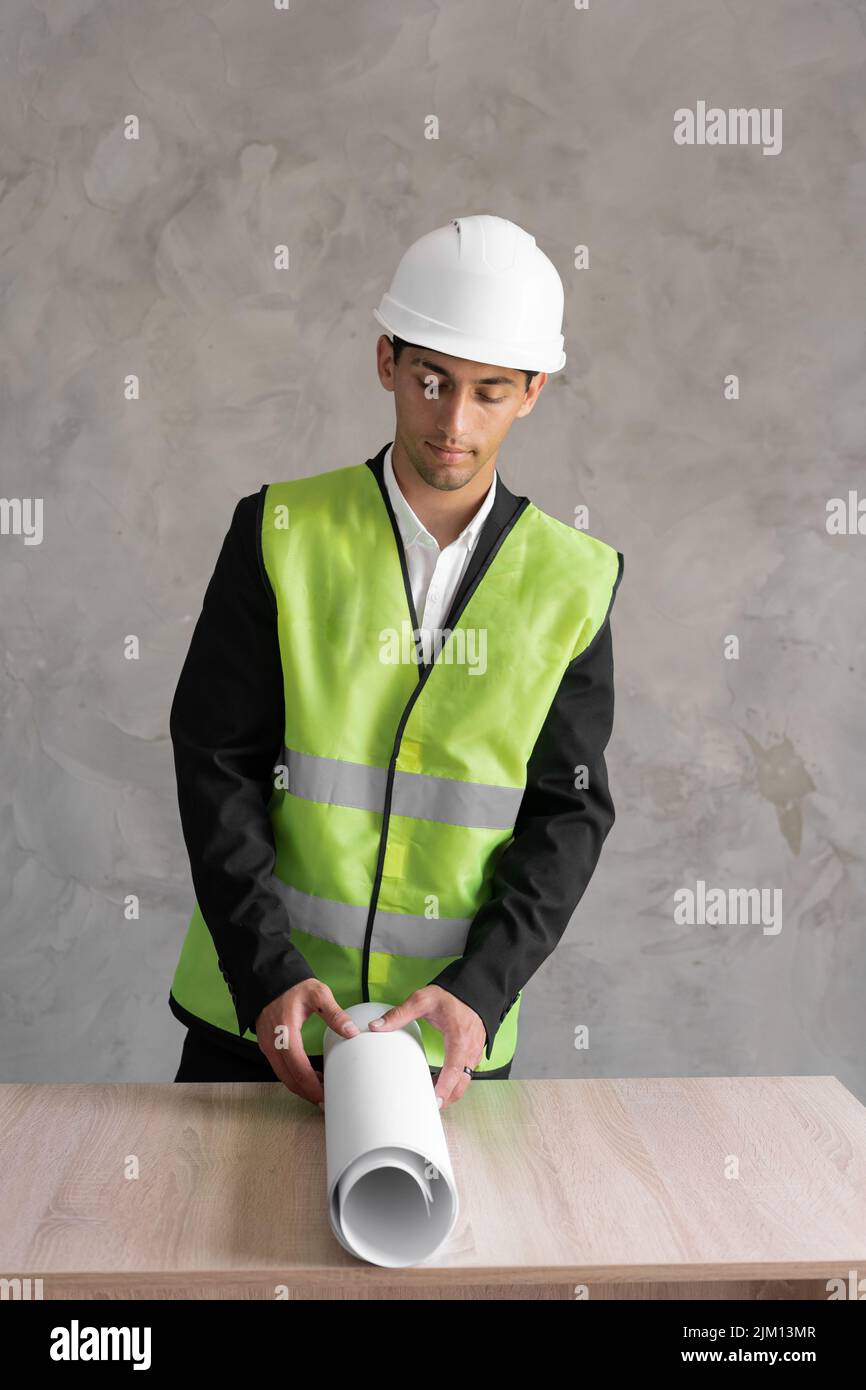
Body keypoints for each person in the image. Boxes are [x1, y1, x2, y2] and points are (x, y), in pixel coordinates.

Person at [168, 215, 624, 1110]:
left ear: (532, 392)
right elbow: (216, 762)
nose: (454, 422)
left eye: (490, 392)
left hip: (447, 1038)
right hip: (259, 1021)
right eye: (431, 380)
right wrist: (266, 976)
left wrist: (481, 991)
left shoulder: (576, 579)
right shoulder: (280, 532)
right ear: (387, 363)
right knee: (210, 1244)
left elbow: (569, 812)